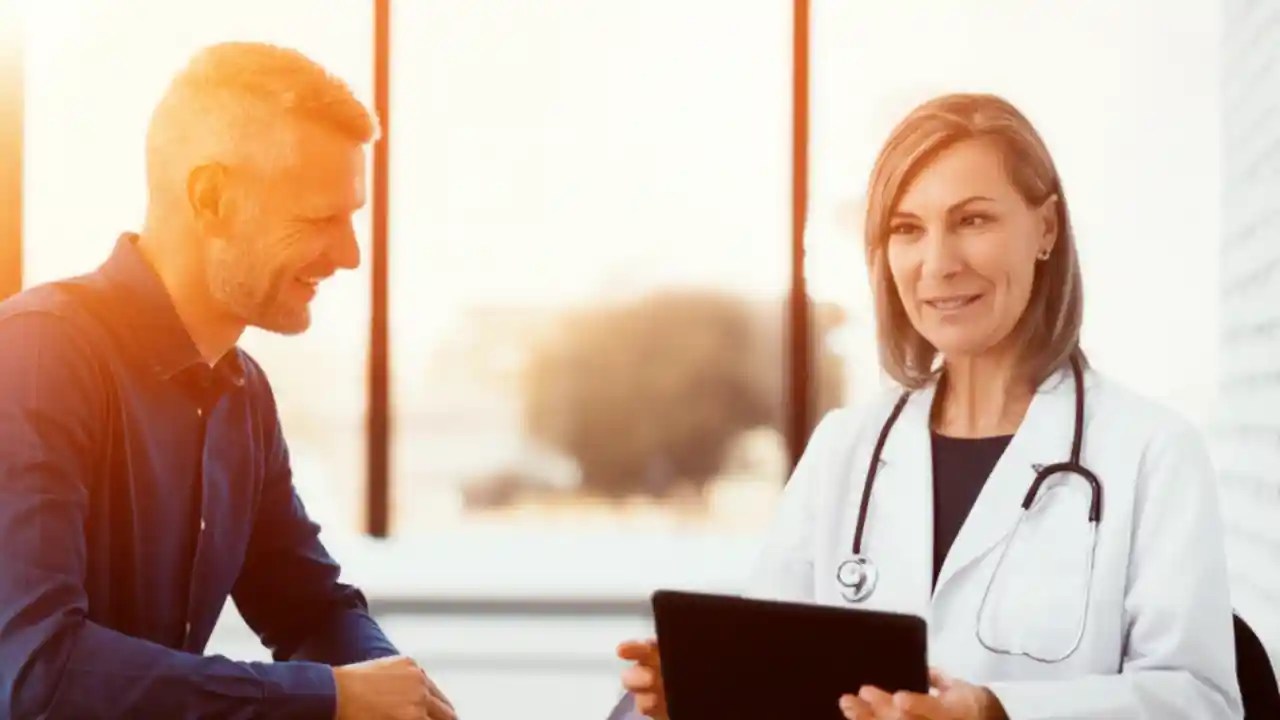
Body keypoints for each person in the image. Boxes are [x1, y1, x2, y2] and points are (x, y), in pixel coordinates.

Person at [617, 93, 1243, 719]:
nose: (938, 264)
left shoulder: (1152, 451)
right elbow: (768, 669)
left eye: (972, 220)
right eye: (907, 230)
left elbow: (1202, 702)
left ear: (1045, 229)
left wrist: (994, 713)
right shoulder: (845, 448)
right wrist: (706, 696)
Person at [0, 43, 455, 720]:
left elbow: (307, 606)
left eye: (353, 217)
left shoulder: (242, 393)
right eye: (319, 218)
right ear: (211, 197)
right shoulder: (37, 353)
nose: (350, 254)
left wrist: (400, 696)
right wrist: (332, 698)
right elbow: (37, 675)